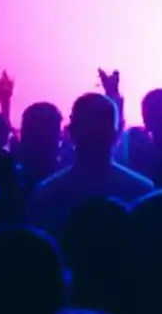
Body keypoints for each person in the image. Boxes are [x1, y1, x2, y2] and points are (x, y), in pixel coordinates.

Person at [27, 94, 154, 234]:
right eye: (90, 125)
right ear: (117, 135)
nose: (95, 131)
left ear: (70, 132)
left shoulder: (47, 193)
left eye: (100, 126)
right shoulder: (141, 191)